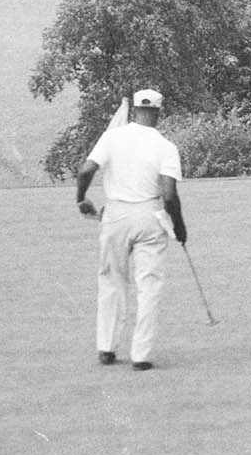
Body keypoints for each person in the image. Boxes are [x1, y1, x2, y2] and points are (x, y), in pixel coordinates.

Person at [76, 88, 187, 369]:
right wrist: (180, 227)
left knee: (112, 281)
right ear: (159, 112)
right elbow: (169, 195)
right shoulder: (166, 146)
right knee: (148, 287)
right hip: (149, 215)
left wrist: (81, 198)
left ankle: (106, 349)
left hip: (114, 215)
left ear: (135, 110)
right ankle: (141, 356)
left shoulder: (112, 136)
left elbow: (86, 170)